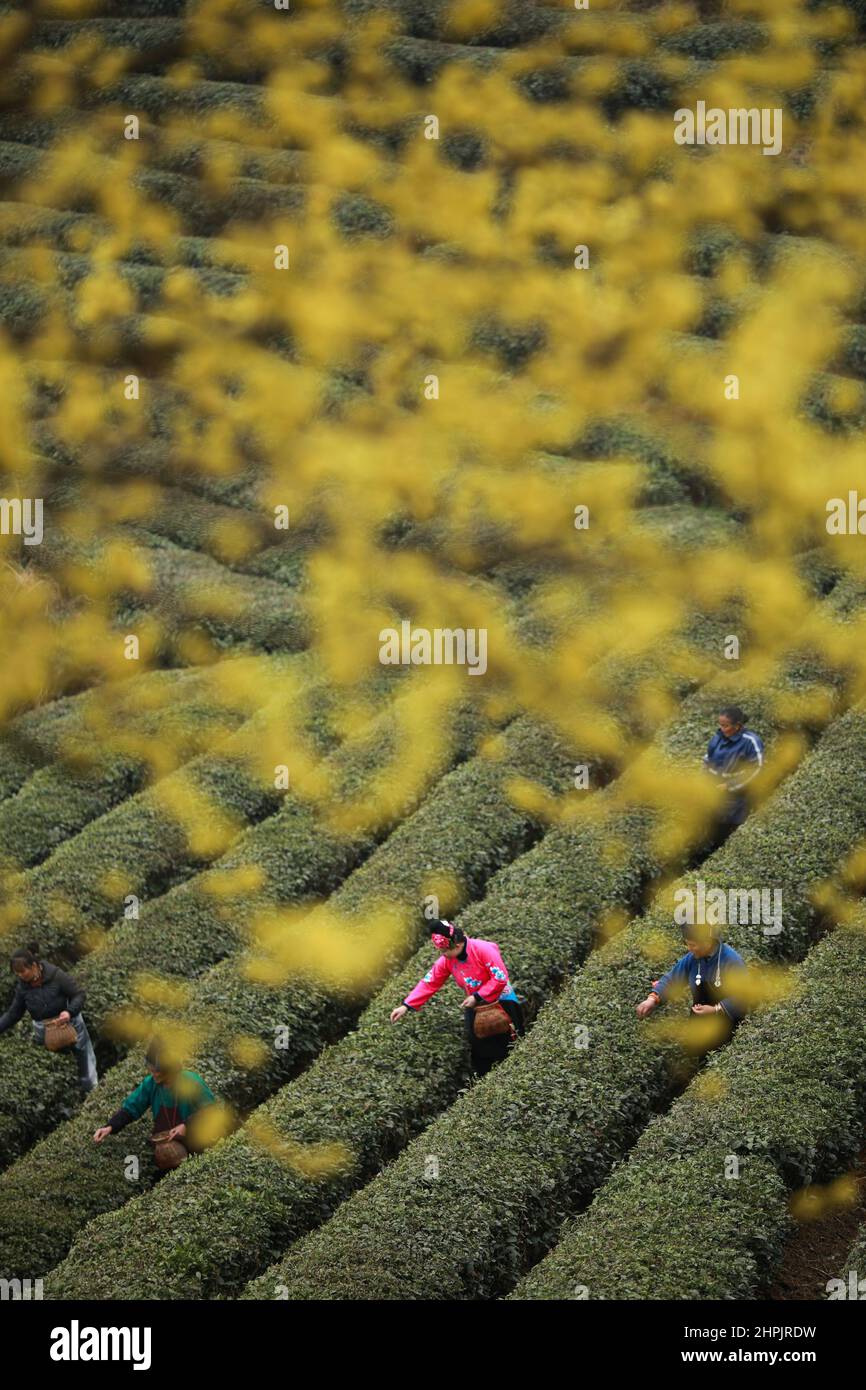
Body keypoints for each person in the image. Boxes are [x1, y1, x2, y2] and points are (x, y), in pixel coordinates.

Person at [390, 919, 524, 1076]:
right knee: (480, 1049)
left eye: (445, 951)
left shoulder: (483, 949)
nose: (443, 955)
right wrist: (406, 1006)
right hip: (475, 1004)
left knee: (511, 1042)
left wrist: (478, 995)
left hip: (501, 1000)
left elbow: (499, 977)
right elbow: (430, 981)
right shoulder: (447, 960)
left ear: (458, 945)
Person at [0, 943, 97, 1094]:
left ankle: (91, 1091)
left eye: (22, 971)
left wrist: (69, 1012)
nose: (20, 975)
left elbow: (78, 994)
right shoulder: (22, 988)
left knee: (83, 1056)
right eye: (16, 973)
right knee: (58, 1065)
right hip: (45, 1030)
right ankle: (72, 1094)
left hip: (70, 1023)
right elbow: (14, 1014)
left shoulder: (55, 975)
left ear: (33, 966)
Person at [92, 1041, 215, 1155]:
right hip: (165, 1146)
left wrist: (186, 1126)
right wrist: (110, 1127)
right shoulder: (151, 1084)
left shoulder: (191, 1082)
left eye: (156, 1070)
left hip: (195, 1144)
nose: (152, 1073)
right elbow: (131, 1108)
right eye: (150, 1068)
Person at [636, 923, 746, 1040]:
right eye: (687, 944)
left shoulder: (732, 960)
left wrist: (716, 1009)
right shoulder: (692, 958)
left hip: (727, 1027)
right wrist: (652, 999)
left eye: (692, 945)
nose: (689, 949)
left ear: (707, 942)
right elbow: (672, 979)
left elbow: (743, 996)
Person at [703, 705, 764, 831]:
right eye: (720, 724)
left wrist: (729, 785)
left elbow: (756, 769)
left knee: (730, 826)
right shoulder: (717, 737)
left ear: (737, 726)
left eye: (725, 726)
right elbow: (708, 758)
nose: (721, 729)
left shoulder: (750, 741)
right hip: (715, 789)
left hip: (736, 795)